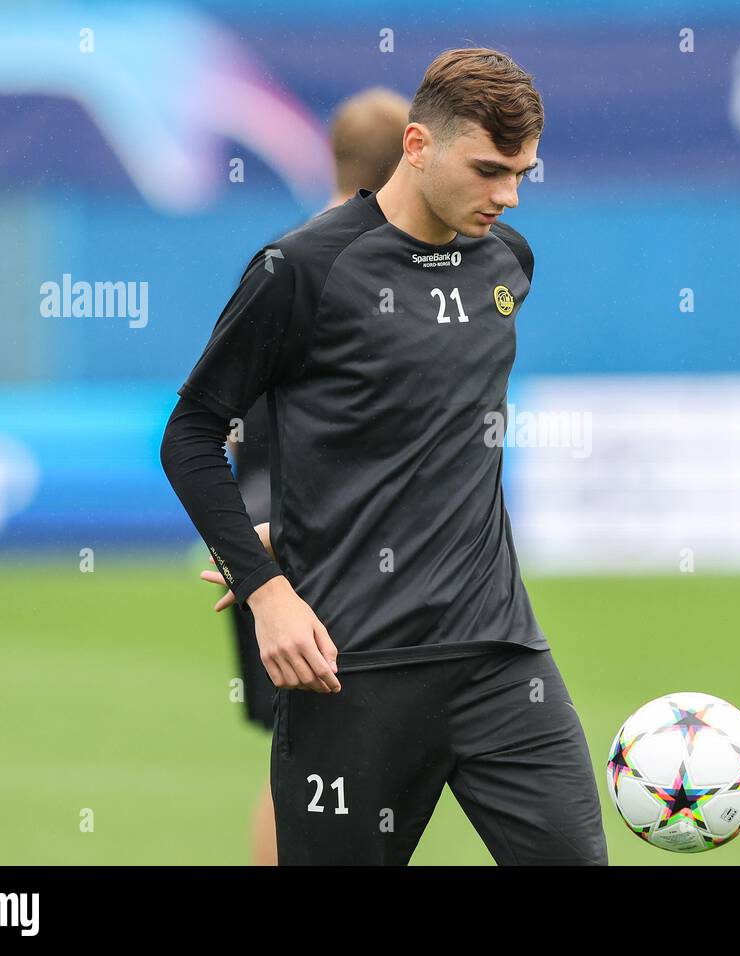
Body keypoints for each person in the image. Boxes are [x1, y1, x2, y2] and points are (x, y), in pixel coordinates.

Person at [160, 47, 608, 865]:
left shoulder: (509, 261)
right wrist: (268, 589)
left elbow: (420, 431)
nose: (507, 195)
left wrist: (306, 525)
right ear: (415, 146)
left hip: (501, 660)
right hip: (349, 669)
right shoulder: (300, 270)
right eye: (487, 169)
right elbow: (190, 434)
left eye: (522, 174)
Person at [219, 87, 411, 866]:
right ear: (411, 156)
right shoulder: (377, 271)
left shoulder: (276, 256)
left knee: (302, 763)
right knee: (338, 767)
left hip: (257, 534)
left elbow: (220, 419)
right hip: (330, 541)